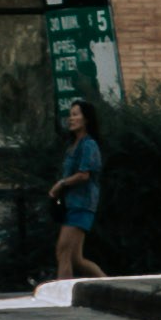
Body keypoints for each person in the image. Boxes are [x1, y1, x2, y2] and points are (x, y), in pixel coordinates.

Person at [50, 100, 104, 286]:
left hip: (82, 204)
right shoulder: (73, 146)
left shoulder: (88, 145)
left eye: (75, 114)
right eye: (70, 115)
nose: (71, 119)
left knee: (62, 251)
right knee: (76, 259)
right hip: (72, 204)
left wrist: (61, 184)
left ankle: (63, 296)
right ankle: (110, 284)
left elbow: (84, 175)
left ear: (86, 119)